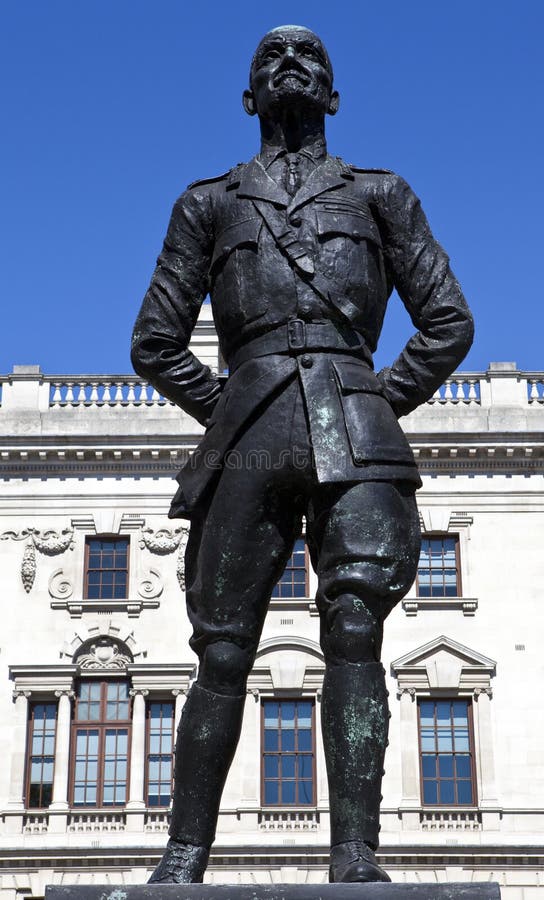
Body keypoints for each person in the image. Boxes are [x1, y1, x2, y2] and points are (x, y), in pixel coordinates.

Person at [131, 25, 473, 884]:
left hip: (356, 429)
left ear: (333, 94)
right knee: (221, 650)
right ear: (248, 96)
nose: (292, 65)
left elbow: (448, 322)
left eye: (312, 60)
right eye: (271, 60)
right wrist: (232, 411)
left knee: (355, 629)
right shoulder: (206, 204)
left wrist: (373, 406)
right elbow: (155, 341)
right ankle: (184, 855)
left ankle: (356, 856)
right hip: (247, 431)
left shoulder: (382, 195)